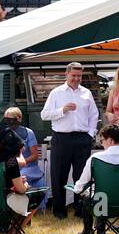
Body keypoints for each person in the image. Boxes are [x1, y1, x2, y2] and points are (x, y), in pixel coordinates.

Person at [41, 62, 100, 219]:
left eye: (79, 76)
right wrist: (62, 110)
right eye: (73, 75)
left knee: (82, 176)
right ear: (66, 74)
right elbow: (44, 114)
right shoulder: (56, 93)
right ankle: (60, 212)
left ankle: (80, 209)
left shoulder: (86, 93)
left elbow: (94, 115)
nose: (76, 78)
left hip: (82, 138)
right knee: (59, 175)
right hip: (61, 137)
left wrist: (90, 134)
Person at [1, 107, 47, 206]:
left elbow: (35, 155)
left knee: (21, 174)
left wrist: (22, 161)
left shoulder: (29, 133)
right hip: (10, 167)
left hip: (28, 167)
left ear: (19, 119)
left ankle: (29, 204)